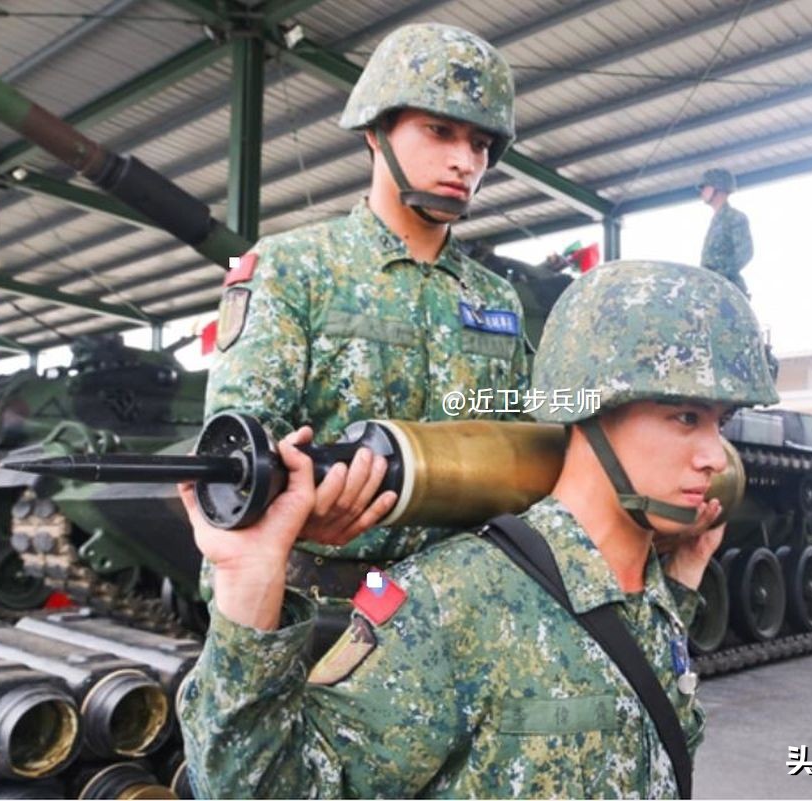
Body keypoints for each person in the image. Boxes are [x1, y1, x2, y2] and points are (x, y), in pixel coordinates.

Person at [177, 260, 780, 798]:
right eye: (685, 417)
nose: (714, 456)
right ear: (591, 409)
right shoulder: (450, 605)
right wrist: (246, 588)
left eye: (720, 423)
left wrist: (687, 572)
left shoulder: (647, 592)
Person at [202, 24, 529, 607]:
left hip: (464, 610)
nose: (464, 161)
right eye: (439, 131)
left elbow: (523, 435)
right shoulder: (290, 268)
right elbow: (240, 439)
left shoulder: (496, 300)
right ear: (378, 131)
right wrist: (300, 504)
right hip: (317, 610)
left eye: (480, 143)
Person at [699, 167, 753, 297]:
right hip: (712, 289)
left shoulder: (735, 217)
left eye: (705, 187)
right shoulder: (716, 221)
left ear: (717, 188)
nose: (702, 192)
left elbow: (745, 254)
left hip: (729, 291)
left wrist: (720, 276)